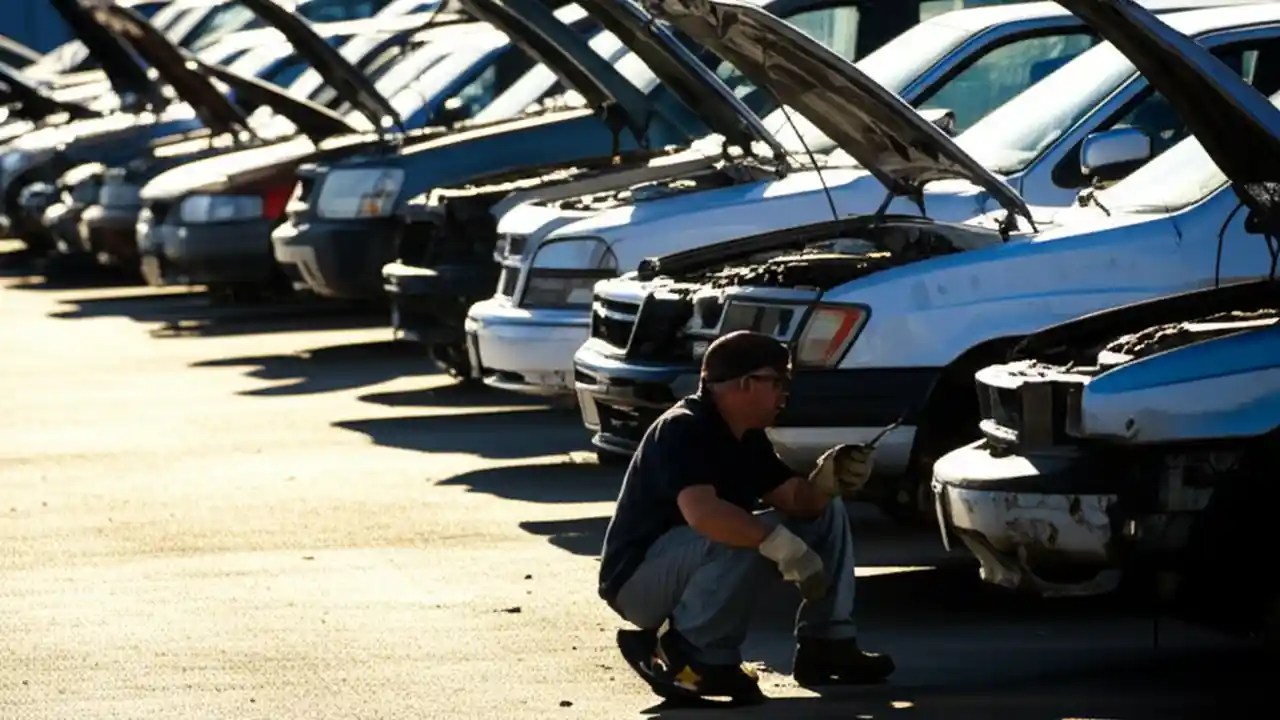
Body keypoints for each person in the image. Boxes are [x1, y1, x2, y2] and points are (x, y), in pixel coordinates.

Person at [598, 330, 894, 700]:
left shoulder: (745, 436)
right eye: (778, 381)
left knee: (825, 512)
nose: (785, 393)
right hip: (636, 583)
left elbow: (799, 501)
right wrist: (780, 544)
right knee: (737, 529)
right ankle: (698, 657)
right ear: (747, 383)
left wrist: (829, 480)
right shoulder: (684, 428)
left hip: (683, 560)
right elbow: (705, 515)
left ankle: (827, 645)